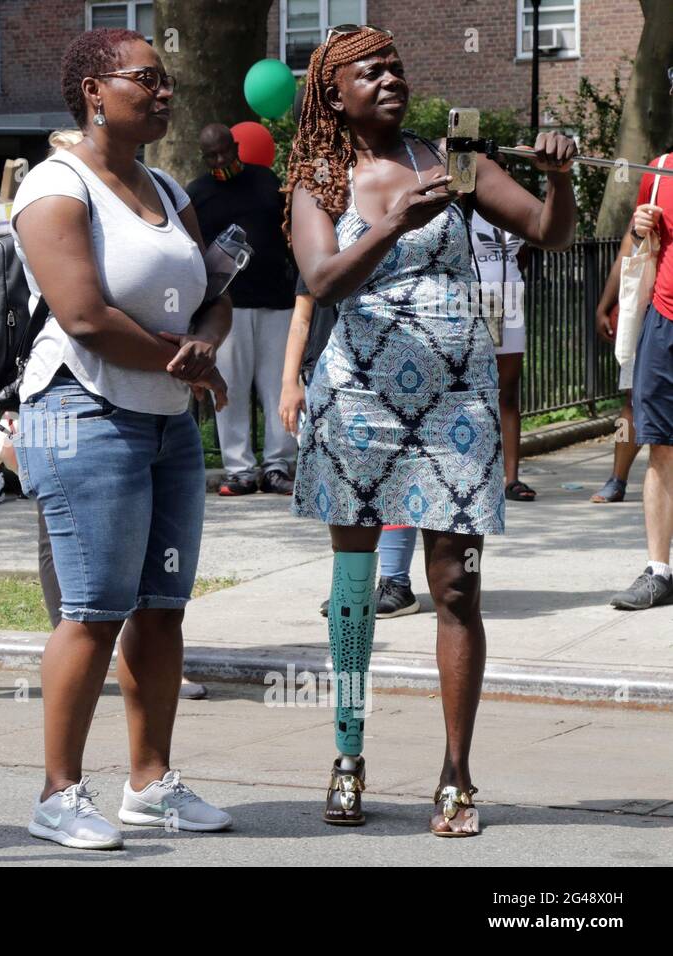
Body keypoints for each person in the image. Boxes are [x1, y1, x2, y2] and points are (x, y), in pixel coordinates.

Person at [285, 25, 576, 835]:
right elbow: (320, 278)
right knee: (355, 589)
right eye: (368, 71)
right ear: (332, 93)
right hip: (358, 400)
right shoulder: (318, 176)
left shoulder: (457, 166)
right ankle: (348, 756)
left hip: (456, 403)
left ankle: (456, 776)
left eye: (397, 65)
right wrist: (392, 225)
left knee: (455, 584)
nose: (389, 78)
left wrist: (557, 181)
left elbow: (549, 233)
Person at [11, 28, 233, 850]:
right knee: (95, 607)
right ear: (94, 91)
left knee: (162, 608)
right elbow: (83, 317)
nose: (165, 91)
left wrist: (204, 342)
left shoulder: (170, 189)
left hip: (167, 421)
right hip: (83, 411)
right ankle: (57, 794)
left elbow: (214, 290)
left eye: (169, 78)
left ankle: (151, 784)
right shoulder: (55, 186)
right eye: (148, 78)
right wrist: (193, 367)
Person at [282, 277, 422, 619]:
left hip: (387, 370)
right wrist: (289, 381)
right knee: (343, 488)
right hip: (326, 373)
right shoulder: (319, 234)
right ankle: (351, 585)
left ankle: (396, 582)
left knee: (393, 479)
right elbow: (302, 317)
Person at [187, 123, 298, 496]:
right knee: (229, 387)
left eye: (224, 152)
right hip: (227, 308)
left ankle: (278, 466)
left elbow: (290, 232)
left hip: (277, 300)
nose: (220, 161)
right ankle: (239, 469)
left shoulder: (266, 181)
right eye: (211, 156)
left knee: (277, 387)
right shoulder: (198, 193)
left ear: (236, 146)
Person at [608, 140, 673, 610]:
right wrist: (637, 228)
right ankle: (659, 571)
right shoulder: (661, 169)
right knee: (662, 449)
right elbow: (637, 245)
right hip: (665, 322)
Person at [470, 204, 536, 500]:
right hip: (474, 302)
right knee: (473, 392)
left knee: (507, 393)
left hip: (509, 302)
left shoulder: (512, 205)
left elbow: (522, 256)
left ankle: (512, 479)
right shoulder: (465, 207)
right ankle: (475, 474)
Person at [592, 248, 644, 503]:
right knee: (634, 400)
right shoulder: (650, 207)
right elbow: (626, 256)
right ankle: (617, 478)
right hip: (650, 310)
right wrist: (604, 305)